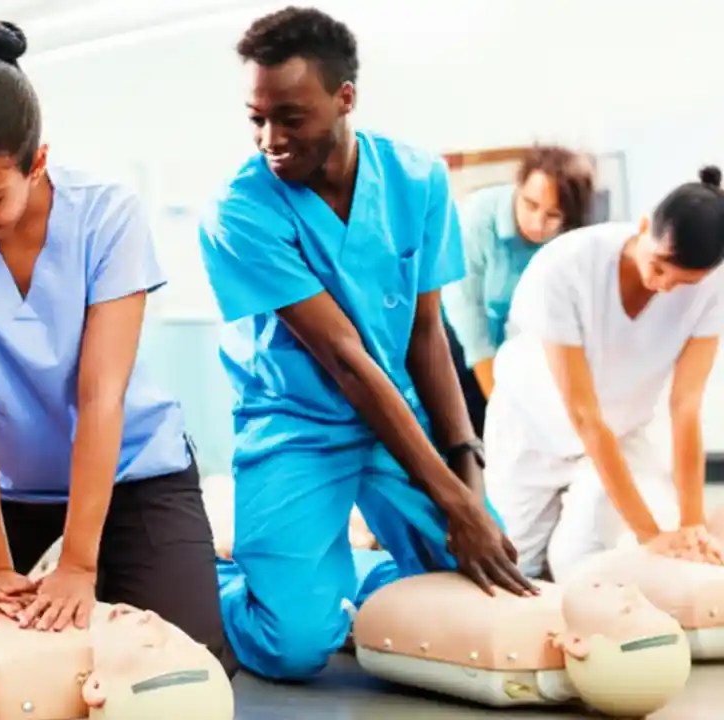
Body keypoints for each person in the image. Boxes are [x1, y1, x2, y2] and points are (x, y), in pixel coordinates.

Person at [0, 21, 229, 683]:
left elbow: (100, 397)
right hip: (1, 483)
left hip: (131, 474)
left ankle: (193, 572)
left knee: (189, 668)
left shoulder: (107, 215)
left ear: (37, 162)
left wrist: (79, 567)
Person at [197, 7, 535, 682]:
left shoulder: (417, 179)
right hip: (296, 424)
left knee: (486, 570)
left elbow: (426, 335)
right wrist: (455, 503)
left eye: (291, 117)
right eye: (257, 118)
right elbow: (347, 361)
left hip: (397, 417)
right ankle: (212, 572)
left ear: (345, 97)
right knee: (292, 645)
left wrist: (469, 479)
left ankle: (350, 572)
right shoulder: (240, 211)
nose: (271, 138)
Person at [484, 167, 724, 581]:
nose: (665, 286)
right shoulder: (567, 265)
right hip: (534, 428)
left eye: (684, 282)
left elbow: (685, 406)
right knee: (511, 566)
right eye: (660, 266)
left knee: (580, 562)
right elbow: (584, 417)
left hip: (623, 430)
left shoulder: (712, 285)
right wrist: (650, 535)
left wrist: (690, 526)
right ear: (645, 224)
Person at [441, 147, 596, 435]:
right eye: (530, 204)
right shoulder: (476, 218)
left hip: (524, 350)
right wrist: (506, 415)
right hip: (460, 344)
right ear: (519, 186)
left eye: (553, 215)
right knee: (482, 434)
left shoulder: (573, 243)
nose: (537, 224)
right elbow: (472, 330)